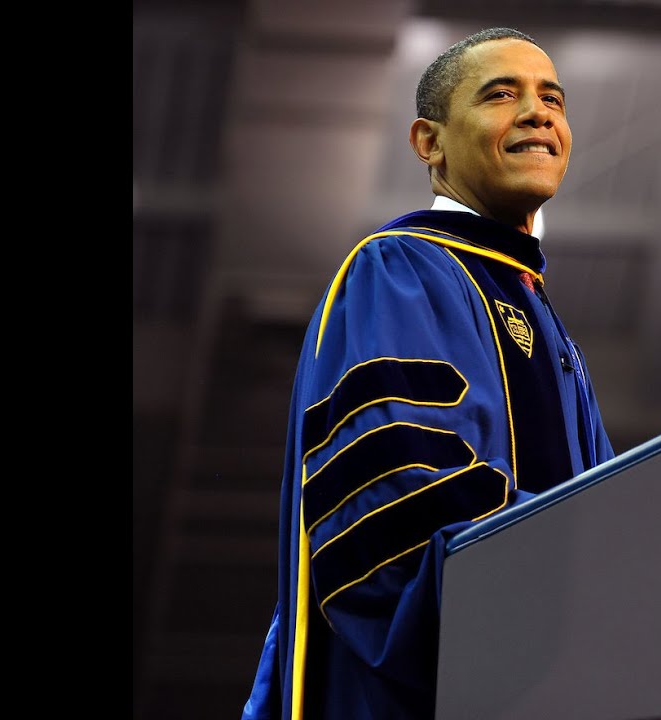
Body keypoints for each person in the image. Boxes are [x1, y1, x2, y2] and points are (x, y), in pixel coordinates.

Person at [240, 27, 615, 720]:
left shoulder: (550, 330)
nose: (539, 113)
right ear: (429, 142)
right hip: (432, 684)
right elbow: (394, 501)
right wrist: (564, 600)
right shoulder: (401, 269)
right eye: (502, 94)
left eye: (553, 99)